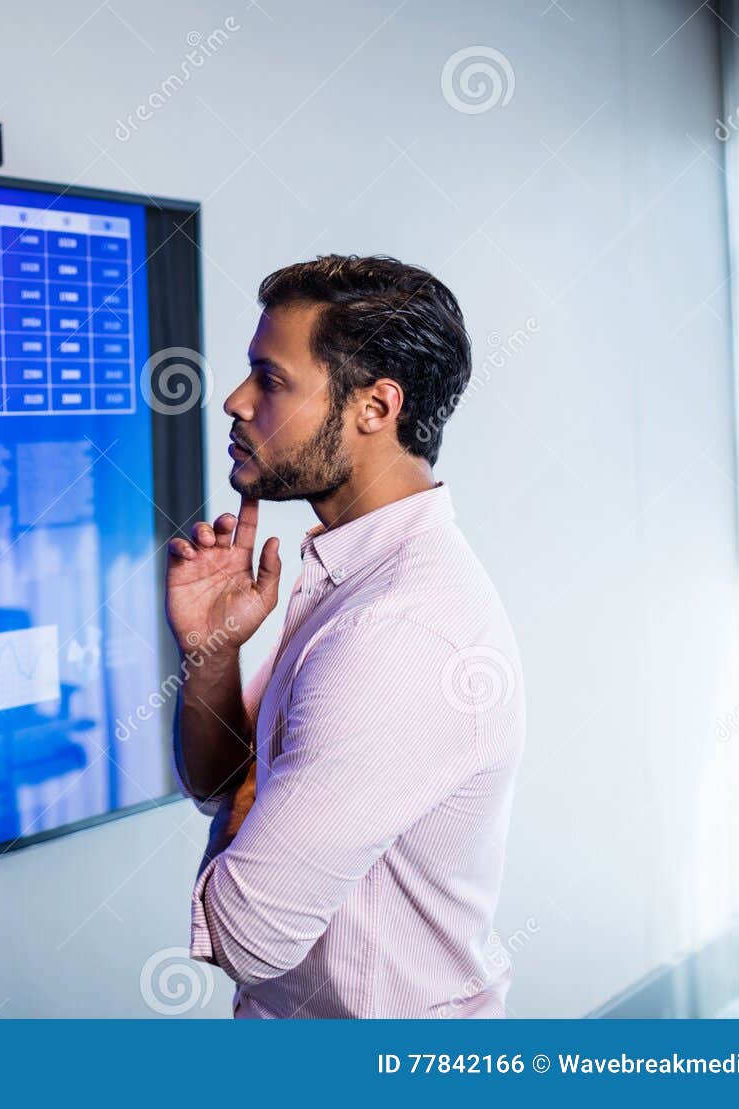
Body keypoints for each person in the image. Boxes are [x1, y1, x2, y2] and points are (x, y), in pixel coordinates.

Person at [167, 255, 525, 1018]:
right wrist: (213, 653)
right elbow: (218, 780)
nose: (233, 401)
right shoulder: (350, 577)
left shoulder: (396, 633)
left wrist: (262, 799)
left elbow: (246, 933)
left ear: (375, 407)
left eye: (270, 378)